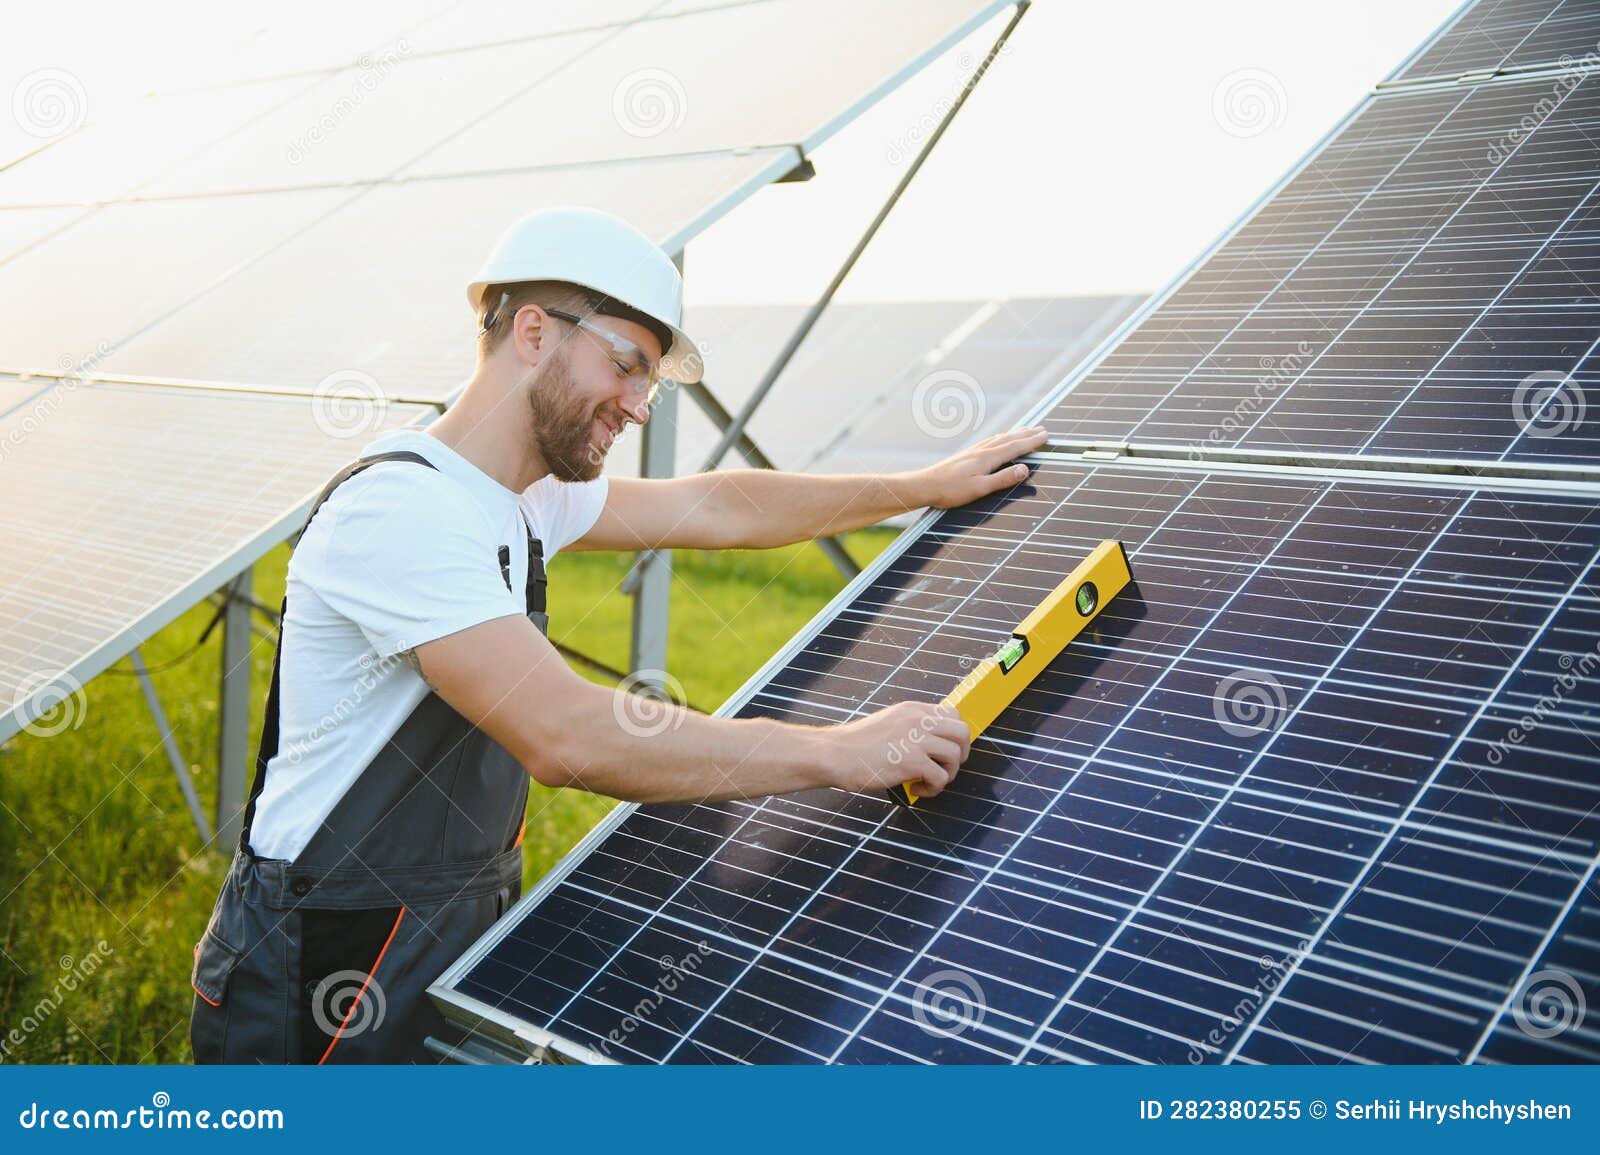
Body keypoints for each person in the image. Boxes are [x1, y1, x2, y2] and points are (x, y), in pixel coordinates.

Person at [189, 206, 1049, 1063]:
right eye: (627, 365)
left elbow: (715, 506)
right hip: (319, 964)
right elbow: (566, 736)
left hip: (434, 932)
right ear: (533, 332)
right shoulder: (403, 510)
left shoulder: (524, 494)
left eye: (649, 381)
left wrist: (916, 485)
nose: (638, 406)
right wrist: (839, 754)